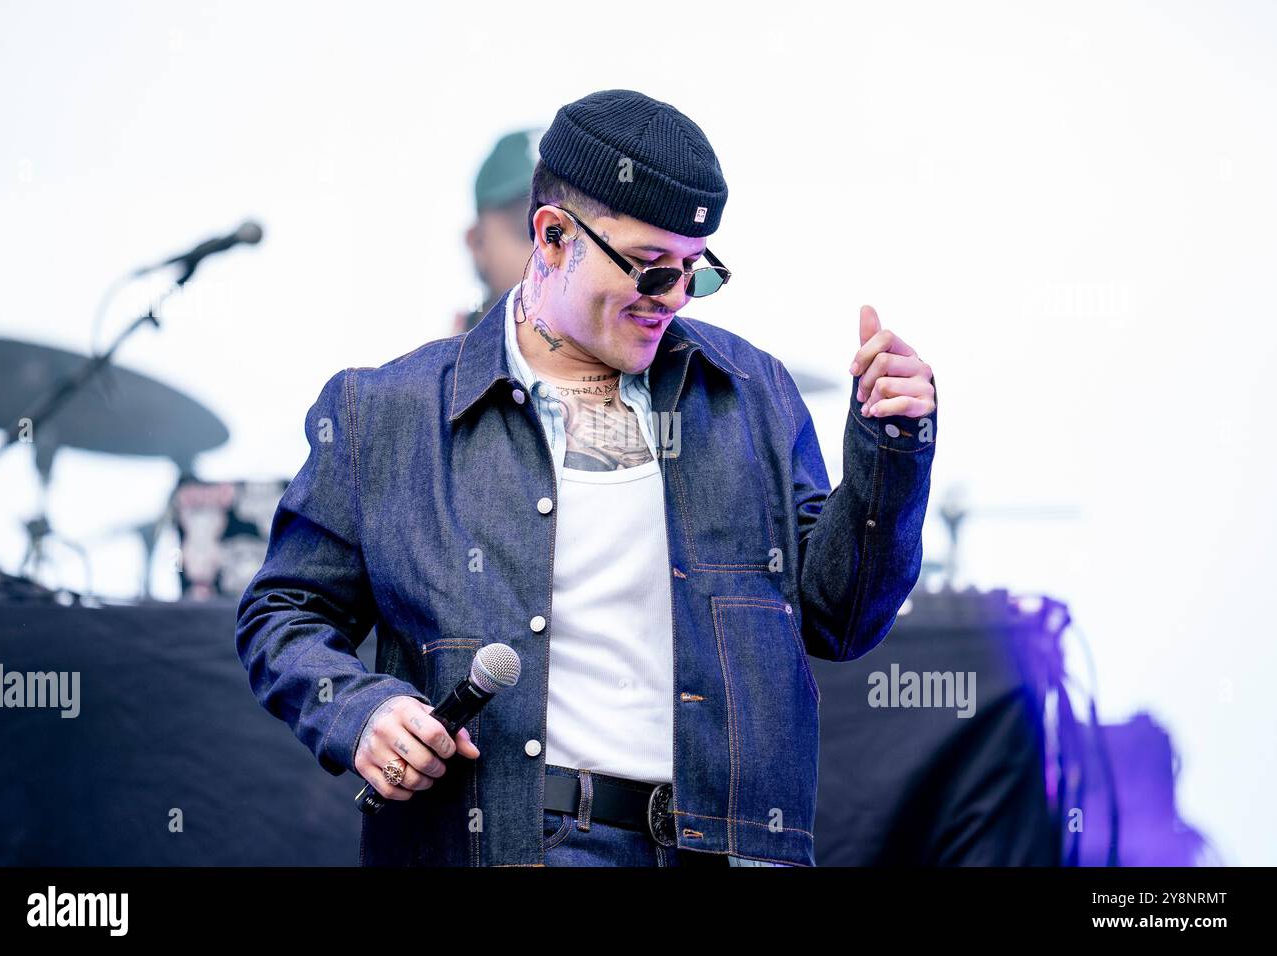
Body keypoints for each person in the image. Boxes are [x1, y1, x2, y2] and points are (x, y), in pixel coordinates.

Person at [236, 88, 938, 867]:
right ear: (553, 235)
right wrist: (362, 713)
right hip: (511, 842)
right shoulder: (384, 413)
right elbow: (283, 612)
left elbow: (838, 620)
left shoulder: (750, 392)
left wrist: (892, 447)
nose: (671, 298)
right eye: (647, 270)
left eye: (694, 274)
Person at [454, 129, 541, 335]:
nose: (554, 251)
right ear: (477, 242)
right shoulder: (431, 365)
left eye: (567, 232)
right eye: (529, 231)